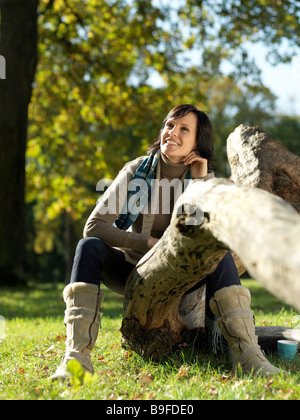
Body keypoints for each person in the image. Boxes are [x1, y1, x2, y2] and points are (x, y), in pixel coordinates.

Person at [49, 104, 280, 380]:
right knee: (87, 247)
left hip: (185, 275)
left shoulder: (203, 178)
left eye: (184, 129)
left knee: (220, 253)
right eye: (169, 125)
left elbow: (209, 232)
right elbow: (94, 226)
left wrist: (201, 180)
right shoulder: (136, 170)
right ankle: (76, 361)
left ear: (198, 142)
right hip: (134, 271)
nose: (173, 132)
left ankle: (249, 356)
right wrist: (148, 242)